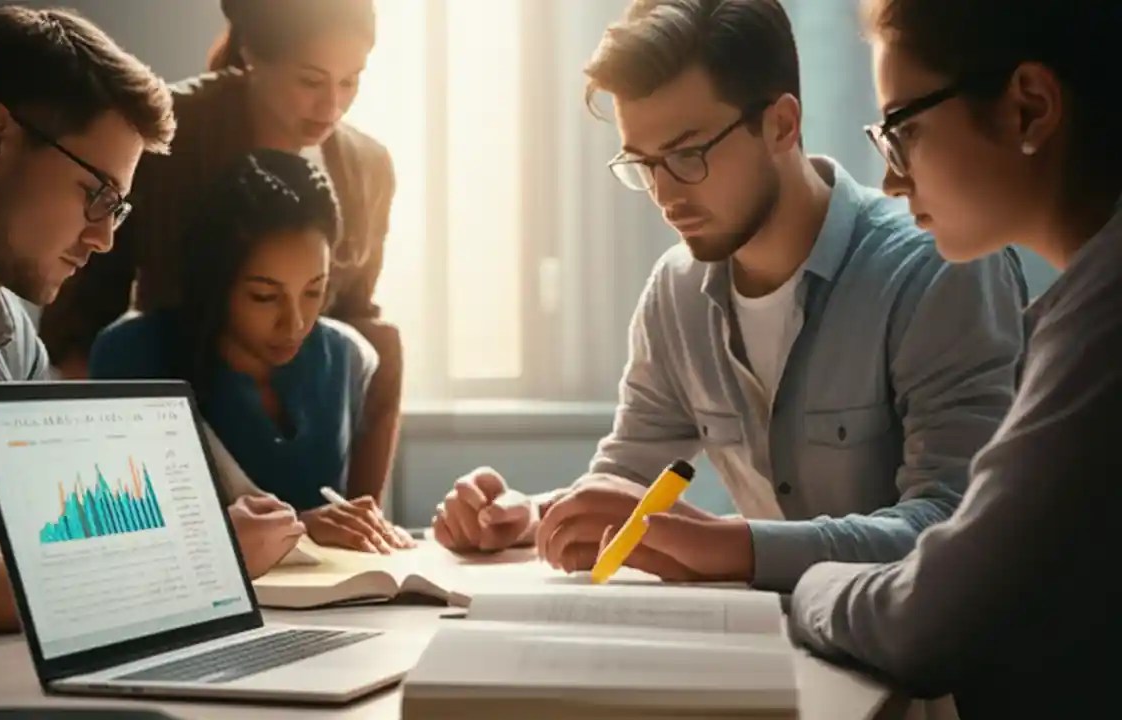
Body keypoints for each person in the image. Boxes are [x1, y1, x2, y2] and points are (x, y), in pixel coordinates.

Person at [432, 0, 1028, 593]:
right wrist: (525, 517)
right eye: (644, 163)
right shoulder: (677, 292)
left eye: (687, 155)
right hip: (773, 654)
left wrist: (730, 545)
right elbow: (624, 482)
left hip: (924, 673)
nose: (664, 195)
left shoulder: (937, 273)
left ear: (781, 125)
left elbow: (952, 527)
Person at [0, 6, 302, 638]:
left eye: (120, 207)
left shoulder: (10, 341)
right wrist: (189, 562)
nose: (106, 238)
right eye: (97, 195)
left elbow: (41, 547)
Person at [784, 0, 1122, 715]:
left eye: (903, 131)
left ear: (1029, 108)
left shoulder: (1104, 322)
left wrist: (805, 587)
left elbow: (929, 618)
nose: (891, 183)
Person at [39, 0, 403, 511]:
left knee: (383, 342)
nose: (332, 107)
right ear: (253, 54)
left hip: (301, 422)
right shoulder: (171, 136)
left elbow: (356, 316)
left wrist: (353, 520)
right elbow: (83, 312)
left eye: (350, 82)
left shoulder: (367, 166)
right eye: (310, 81)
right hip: (174, 397)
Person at [90, 149, 412, 554]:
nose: (295, 323)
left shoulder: (347, 356)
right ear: (217, 282)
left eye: (314, 290)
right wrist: (301, 527)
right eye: (264, 296)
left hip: (329, 606)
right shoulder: (135, 354)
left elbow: (360, 524)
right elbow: (122, 537)